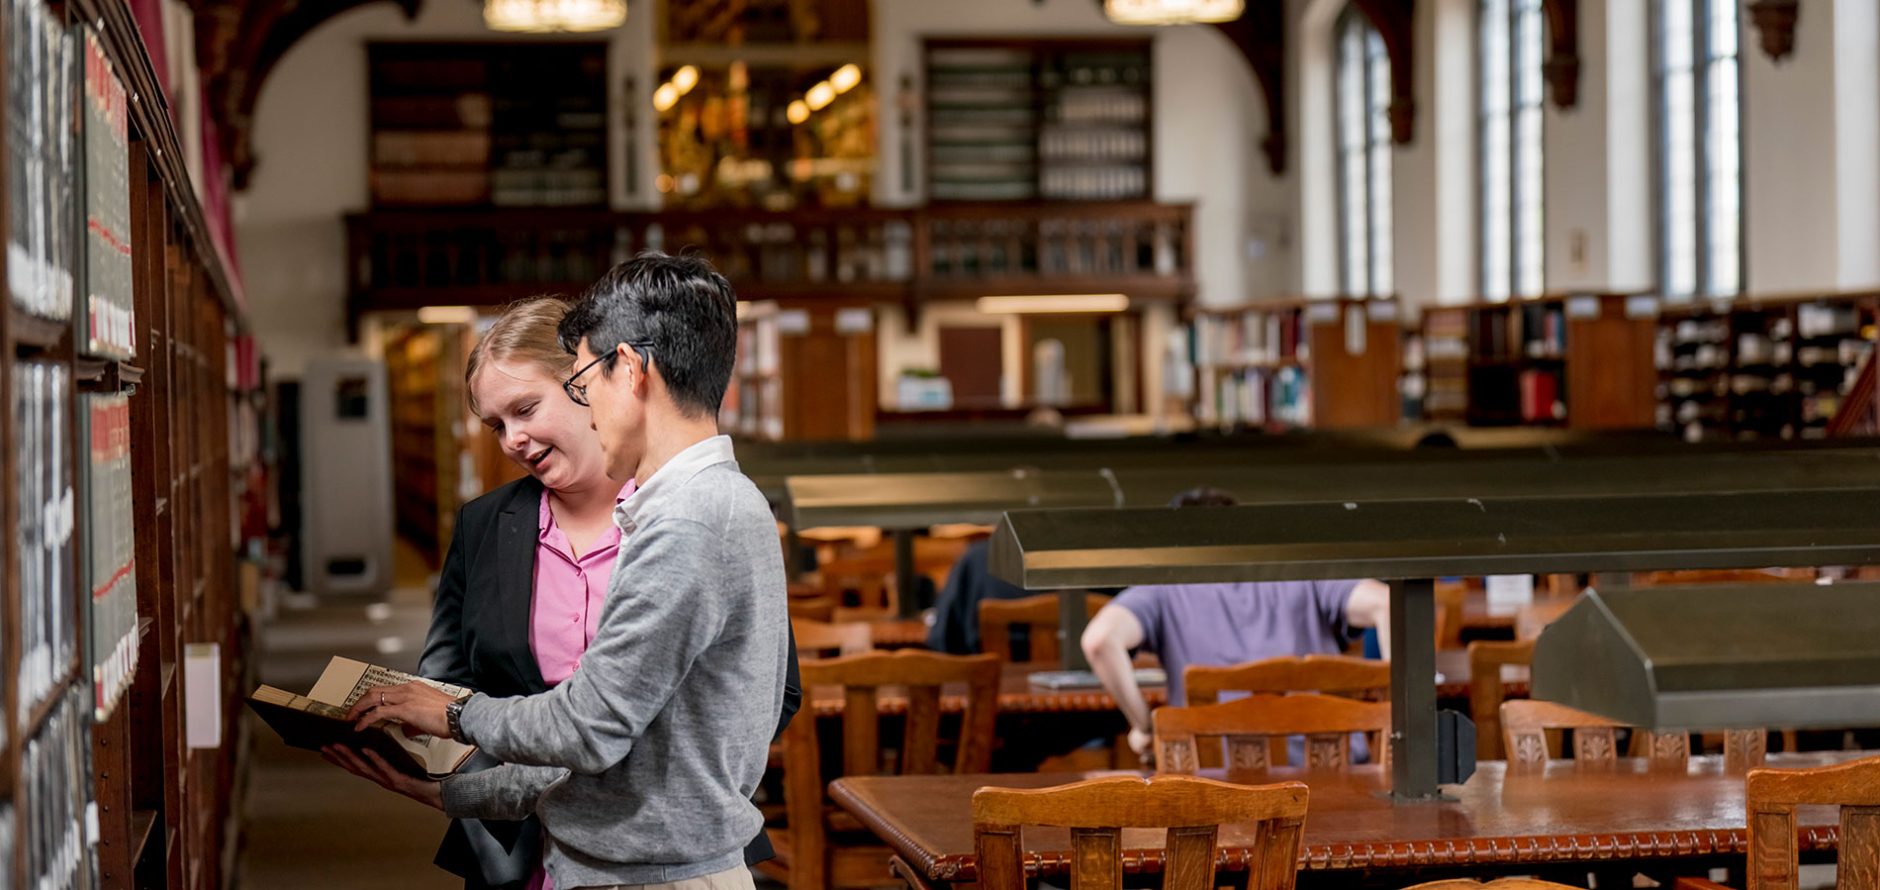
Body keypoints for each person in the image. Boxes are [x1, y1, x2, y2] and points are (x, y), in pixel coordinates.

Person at [335, 254, 792, 890]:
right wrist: (452, 792)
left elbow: (591, 728)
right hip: (596, 852)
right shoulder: (718, 502)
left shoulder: (684, 522)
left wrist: (456, 714)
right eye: (496, 425)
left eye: (582, 383)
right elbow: (610, 743)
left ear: (626, 370)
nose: (512, 440)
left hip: (649, 869)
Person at [1078, 487, 1391, 762]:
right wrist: (1394, 715)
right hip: (1336, 771)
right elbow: (1386, 603)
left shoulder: (1163, 590)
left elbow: (1099, 641)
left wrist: (1146, 727)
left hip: (1217, 783)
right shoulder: (1304, 574)